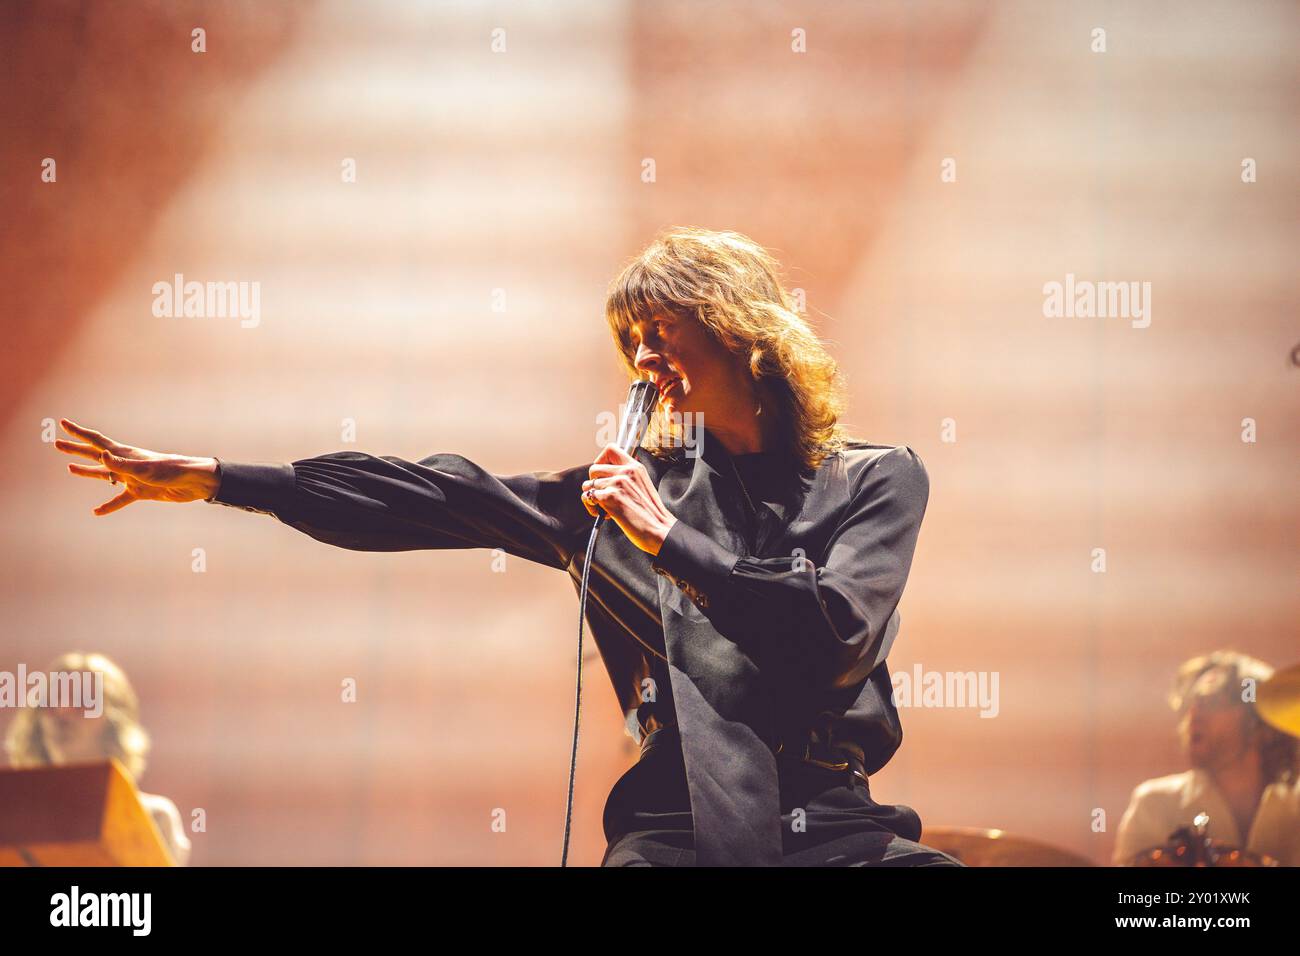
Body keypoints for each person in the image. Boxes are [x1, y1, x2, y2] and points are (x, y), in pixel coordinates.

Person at [56, 226, 959, 866]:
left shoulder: (875, 479)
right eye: (630, 343)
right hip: (671, 827)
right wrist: (222, 478)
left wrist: (670, 538)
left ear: (736, 327)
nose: (641, 361)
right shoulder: (611, 507)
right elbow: (434, 495)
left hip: (831, 823)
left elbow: (835, 634)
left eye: (659, 333)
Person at [4, 651, 193, 866]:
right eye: (51, 702)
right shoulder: (13, 817)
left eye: (82, 702)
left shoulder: (153, 817)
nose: (62, 714)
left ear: (113, 721)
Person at [1113, 650, 1300, 866]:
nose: (1194, 714)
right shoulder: (1155, 805)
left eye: (1212, 702)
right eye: (1189, 704)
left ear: (1258, 721)